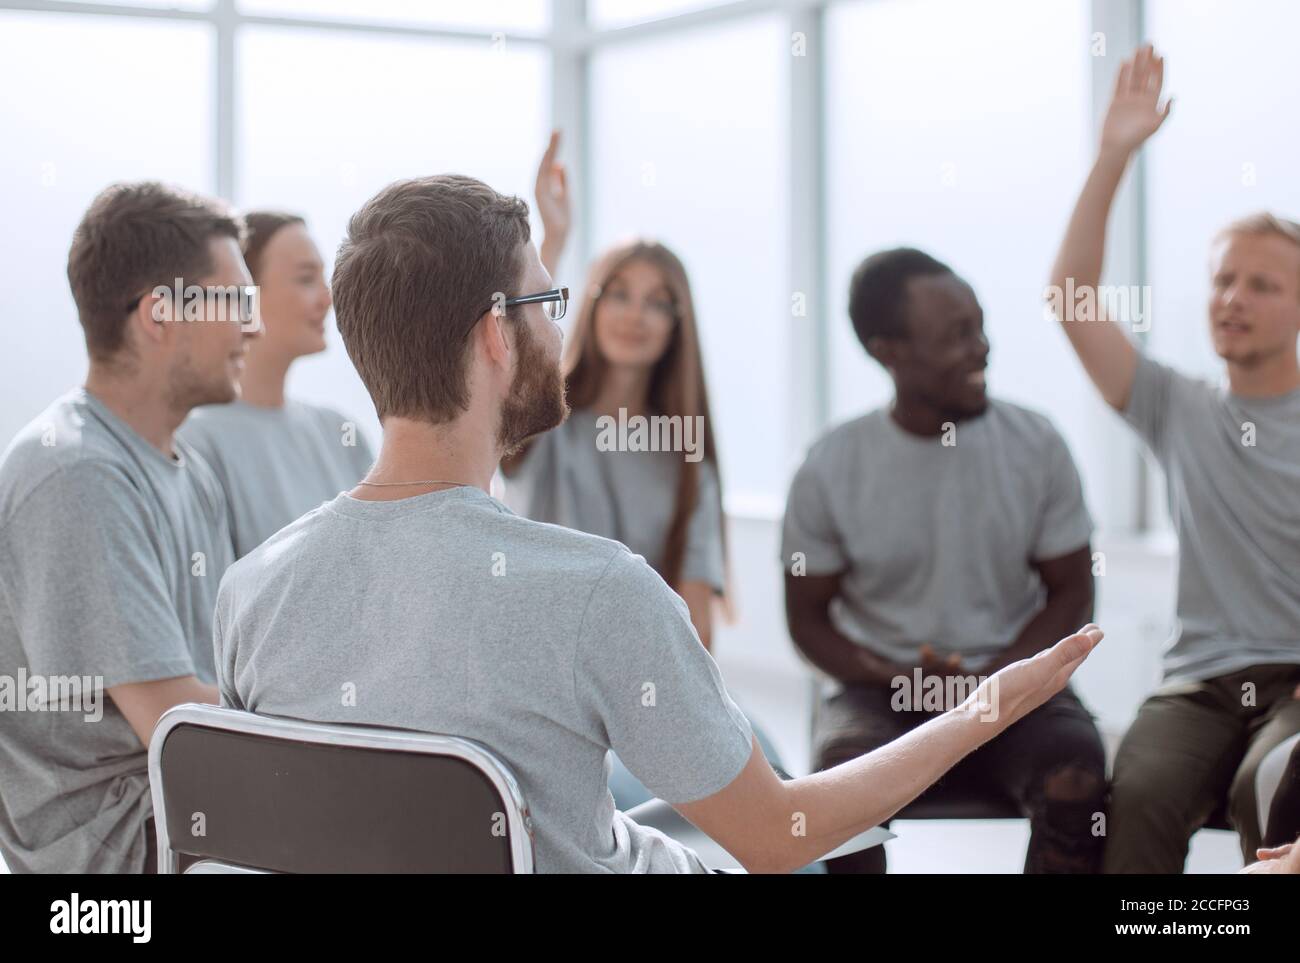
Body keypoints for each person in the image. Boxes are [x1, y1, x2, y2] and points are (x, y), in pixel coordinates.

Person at [213, 172, 1104, 873]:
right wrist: (991, 707)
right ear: (495, 335)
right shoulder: (599, 590)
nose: (560, 332)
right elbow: (780, 834)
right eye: (545, 305)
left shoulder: (253, 591)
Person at [1046, 43, 1300, 872]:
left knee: (1275, 788)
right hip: (1199, 682)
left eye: (1264, 285)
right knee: (1141, 795)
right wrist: (1114, 153)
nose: (1235, 298)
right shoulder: (1181, 406)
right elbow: (1072, 302)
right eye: (1226, 279)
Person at [783, 247, 1107, 873]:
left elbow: (1071, 595)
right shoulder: (829, 467)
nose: (981, 348)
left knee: (1076, 779)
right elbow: (808, 620)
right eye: (957, 335)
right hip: (881, 688)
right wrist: (896, 674)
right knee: (839, 789)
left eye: (980, 325)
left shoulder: (1037, 445)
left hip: (1016, 677)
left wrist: (995, 681)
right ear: (888, 351)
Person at [503, 137, 785, 811]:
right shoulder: (545, 428)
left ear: (675, 325)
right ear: (590, 304)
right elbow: (513, 356)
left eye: (657, 301)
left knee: (775, 778)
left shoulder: (690, 462)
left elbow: (695, 635)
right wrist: (553, 238)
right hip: (548, 694)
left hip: (657, 696)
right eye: (619, 294)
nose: (635, 313)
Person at [0, 181, 254, 872]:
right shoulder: (77, 473)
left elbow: (220, 680)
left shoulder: (187, 469)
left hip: (186, 822)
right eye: (236, 302)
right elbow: (180, 727)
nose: (251, 328)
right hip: (115, 864)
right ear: (159, 313)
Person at [179, 211, 374, 558]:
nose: (327, 298)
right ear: (245, 296)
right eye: (305, 279)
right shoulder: (196, 443)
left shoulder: (340, 433)